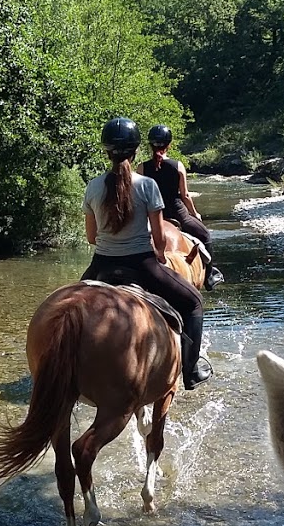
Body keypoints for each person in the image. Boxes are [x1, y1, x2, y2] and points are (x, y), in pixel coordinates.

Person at [81, 117, 212, 390]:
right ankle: (189, 372)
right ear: (135, 150)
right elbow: (159, 235)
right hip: (142, 265)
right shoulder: (146, 186)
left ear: (106, 150)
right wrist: (161, 256)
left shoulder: (93, 186)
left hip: (100, 267)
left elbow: (92, 238)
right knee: (193, 303)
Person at [138, 125, 225, 290]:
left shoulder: (142, 168)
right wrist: (195, 214)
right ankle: (210, 276)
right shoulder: (177, 166)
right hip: (177, 212)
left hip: (152, 214)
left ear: (150, 145)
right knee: (205, 236)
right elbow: (185, 195)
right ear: (168, 145)